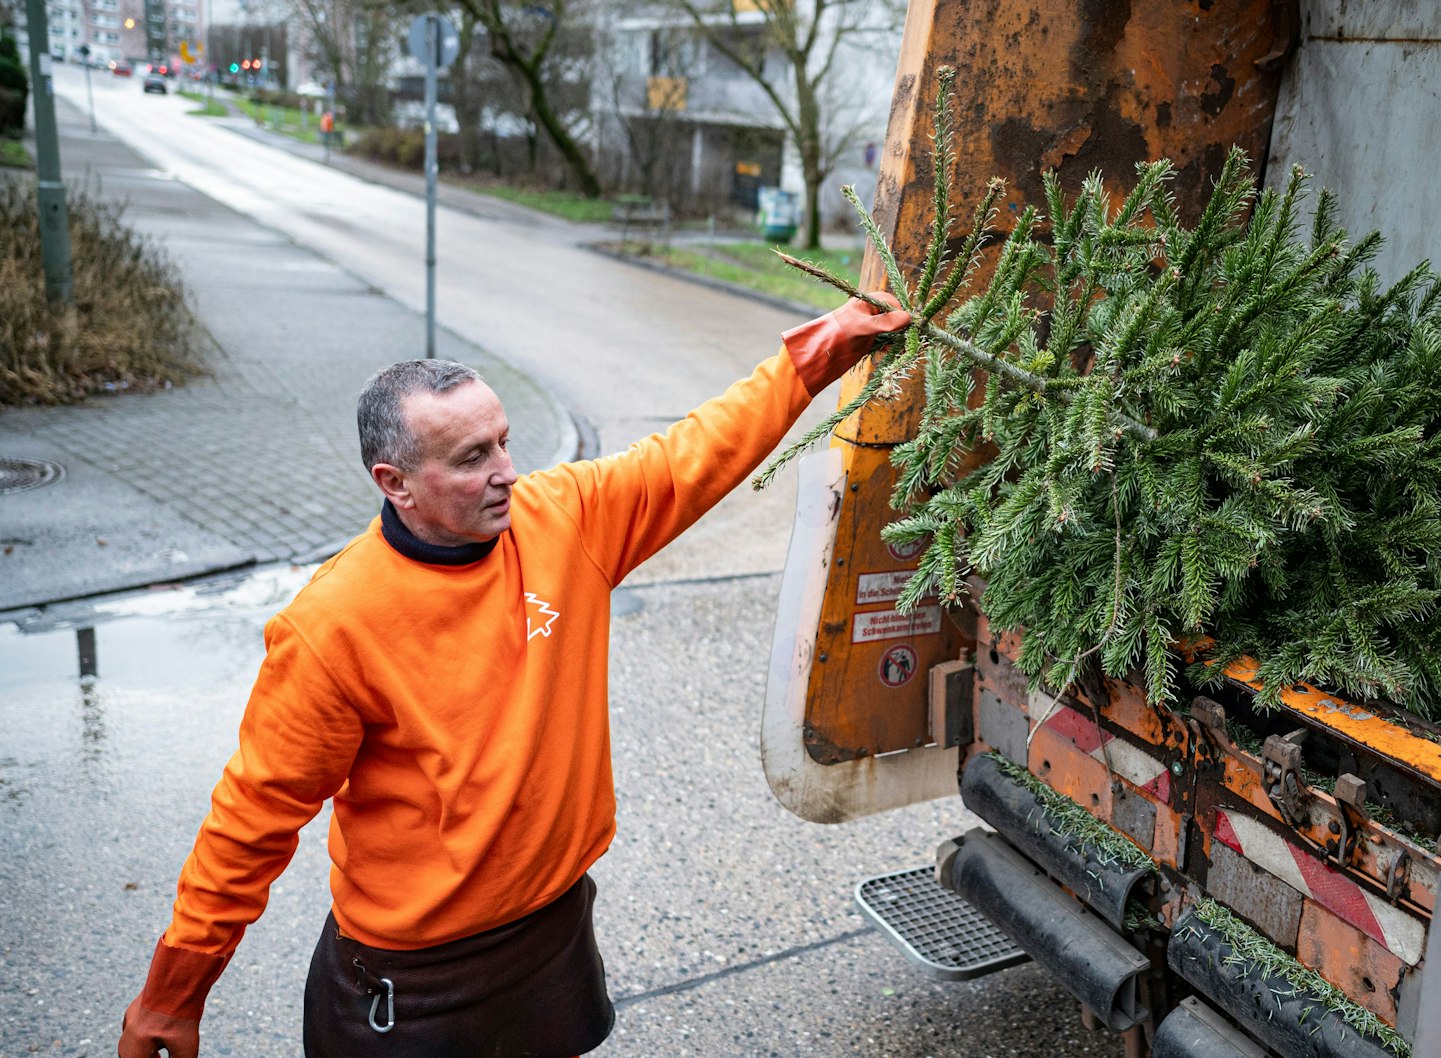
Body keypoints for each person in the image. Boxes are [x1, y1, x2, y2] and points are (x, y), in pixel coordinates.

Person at [116, 296, 911, 1058]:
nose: (506, 472)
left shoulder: (562, 518)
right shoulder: (333, 626)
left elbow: (689, 456)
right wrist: (174, 993)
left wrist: (813, 357)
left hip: (548, 937)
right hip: (414, 980)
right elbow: (253, 818)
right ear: (395, 482)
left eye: (503, 441)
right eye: (471, 459)